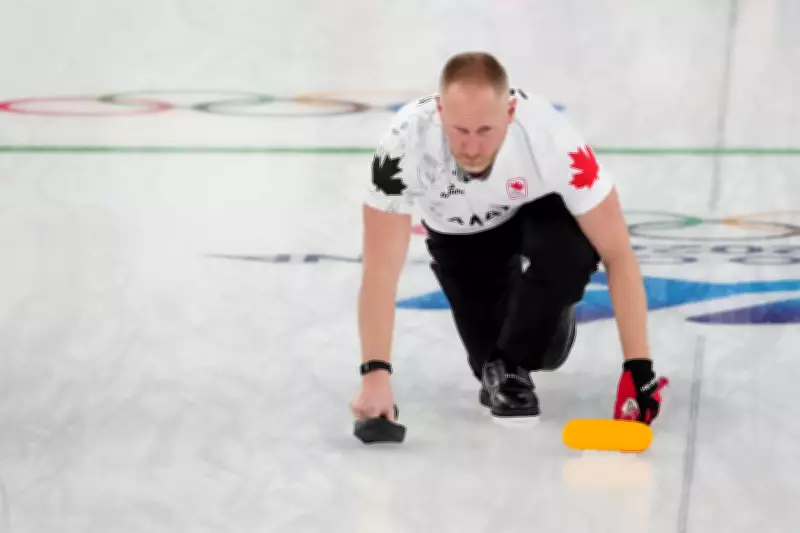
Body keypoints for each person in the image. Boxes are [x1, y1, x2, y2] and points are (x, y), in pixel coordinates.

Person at [350, 51, 668, 425]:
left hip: (532, 211)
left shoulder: (551, 139)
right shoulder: (404, 145)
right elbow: (381, 270)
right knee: (502, 365)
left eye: (485, 131)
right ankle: (527, 328)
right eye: (460, 130)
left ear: (510, 112)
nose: (472, 148)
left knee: (566, 260)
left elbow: (617, 253)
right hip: (462, 237)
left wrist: (638, 370)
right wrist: (375, 376)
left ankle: (539, 315)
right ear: (440, 111)